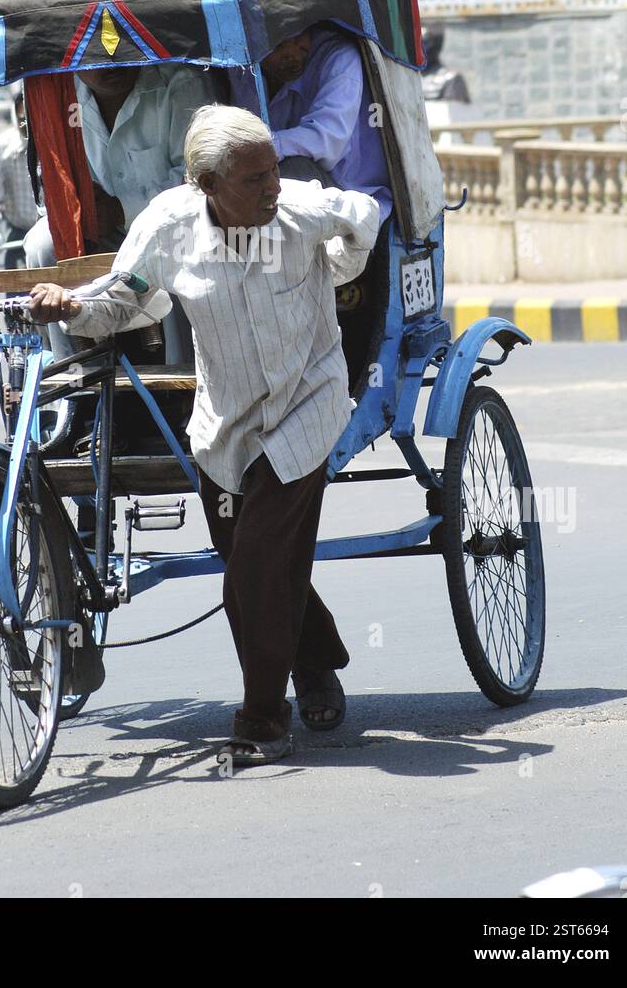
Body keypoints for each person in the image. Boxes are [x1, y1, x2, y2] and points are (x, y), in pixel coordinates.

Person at [28, 104, 381, 767]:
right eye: (254, 179)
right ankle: (316, 663)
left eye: (274, 170)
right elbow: (127, 298)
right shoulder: (168, 225)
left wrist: (338, 265)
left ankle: (263, 719)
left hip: (309, 401)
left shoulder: (301, 210)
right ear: (206, 184)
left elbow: (364, 220)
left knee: (253, 564)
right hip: (225, 422)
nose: (271, 186)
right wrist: (73, 305)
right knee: (257, 562)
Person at [24, 59, 222, 361]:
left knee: (185, 244)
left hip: (171, 233)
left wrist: (119, 210)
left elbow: (197, 184)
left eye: (117, 49)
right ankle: (73, 376)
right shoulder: (61, 94)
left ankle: (183, 379)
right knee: (43, 243)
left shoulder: (181, 85)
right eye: (96, 54)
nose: (110, 60)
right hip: (102, 235)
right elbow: (48, 186)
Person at [229, 25, 392, 222]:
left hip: (347, 191)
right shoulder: (241, 63)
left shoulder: (339, 57)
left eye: (299, 39)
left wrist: (256, 148)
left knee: (289, 172)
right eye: (280, 44)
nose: (293, 53)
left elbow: (326, 143)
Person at [0, 86, 39, 268]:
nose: (25, 125)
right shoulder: (1, 149)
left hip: (56, 236)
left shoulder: (56, 144)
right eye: (21, 119)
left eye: (30, 118)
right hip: (19, 238)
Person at [420, 24, 471, 103]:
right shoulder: (409, 80)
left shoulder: (451, 79)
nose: (421, 50)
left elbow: (454, 111)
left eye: (425, 43)